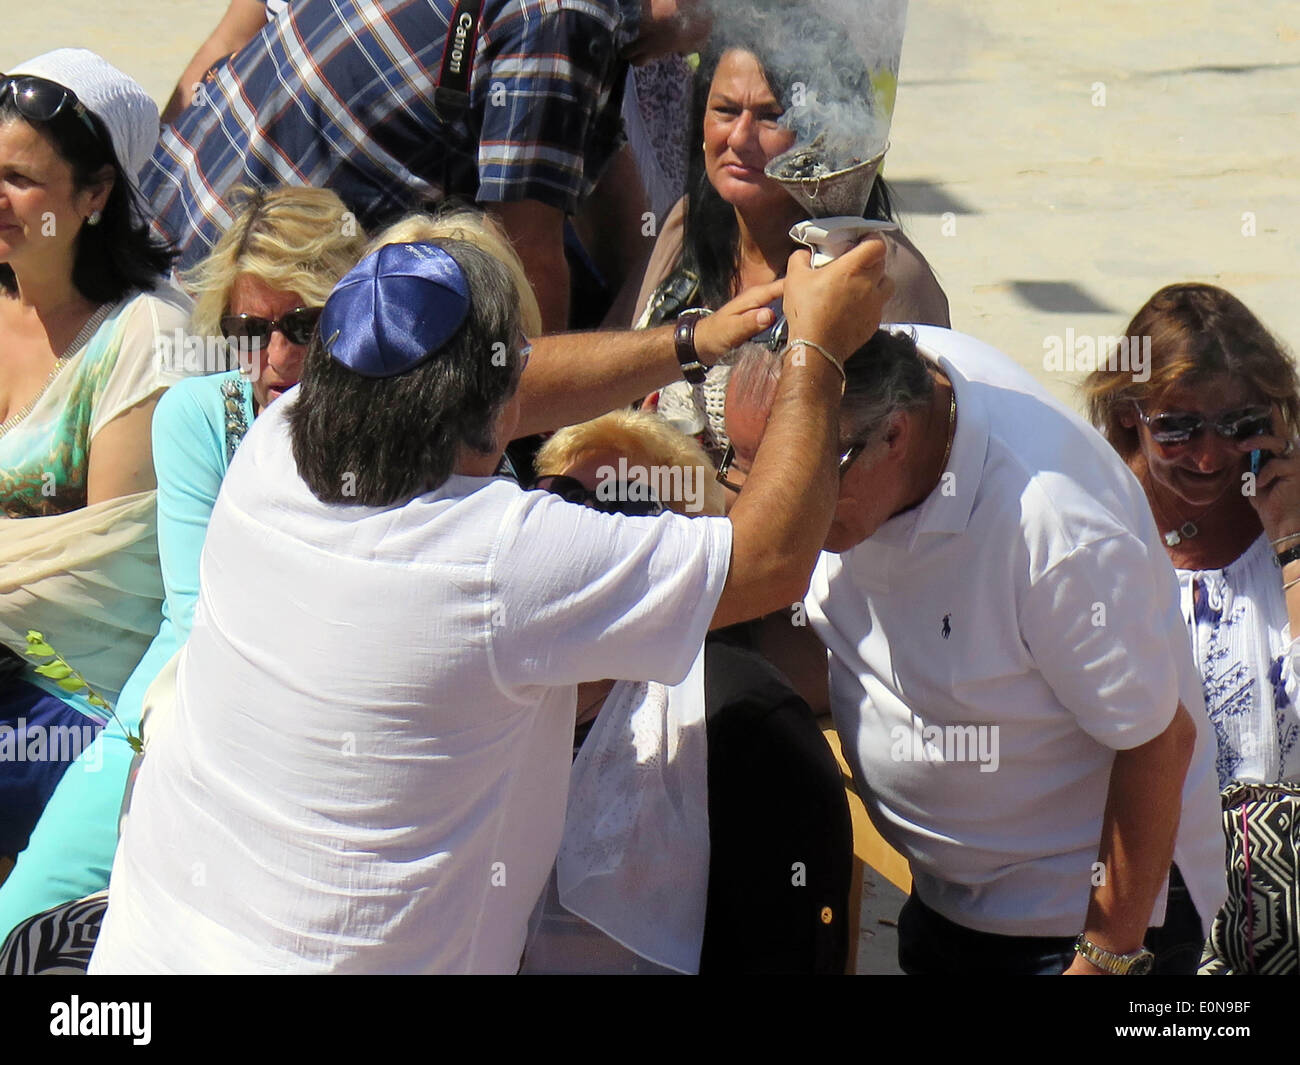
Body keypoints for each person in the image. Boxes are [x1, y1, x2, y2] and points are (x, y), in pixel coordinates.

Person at [87, 226, 889, 974]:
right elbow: (772, 558)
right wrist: (817, 349)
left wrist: (690, 342)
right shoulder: (502, 559)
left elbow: (505, 379)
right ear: (492, 406)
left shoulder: (274, 449)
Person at [720, 323, 1226, 975]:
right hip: (944, 907)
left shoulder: (1056, 532)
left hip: (1078, 924)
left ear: (893, 438)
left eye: (793, 476)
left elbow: (1159, 742)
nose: (769, 509)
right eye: (743, 465)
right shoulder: (867, 397)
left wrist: (1102, 959)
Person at [0, 186, 366, 940]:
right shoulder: (200, 413)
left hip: (331, 726)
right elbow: (198, 614)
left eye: (302, 326)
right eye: (246, 329)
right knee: (28, 909)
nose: (274, 360)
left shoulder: (388, 432)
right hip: (175, 696)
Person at [145, 0, 711, 330]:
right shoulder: (565, 15)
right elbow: (525, 259)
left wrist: (641, 294)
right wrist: (565, 428)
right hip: (219, 304)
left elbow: (591, 182)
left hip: (148, 223)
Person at [524, 408, 852, 973]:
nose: (586, 527)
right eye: (562, 499)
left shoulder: (746, 724)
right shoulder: (491, 682)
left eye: (622, 503)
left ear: (690, 553)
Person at [0, 49, 189, 877]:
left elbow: (104, 585)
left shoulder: (145, 340)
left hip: (68, 699)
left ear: (97, 195)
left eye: (19, 179)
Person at [1082, 283, 1300, 975]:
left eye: (1237, 426)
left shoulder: (1291, 521)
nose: (1209, 457)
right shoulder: (1085, 528)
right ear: (1128, 414)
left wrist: (1291, 542)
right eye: (1177, 429)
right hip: (1128, 899)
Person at [630, 27, 950, 458]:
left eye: (772, 116)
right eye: (725, 110)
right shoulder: (683, 226)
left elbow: (909, 460)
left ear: (830, 136)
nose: (740, 139)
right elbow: (620, 381)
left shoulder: (879, 273)